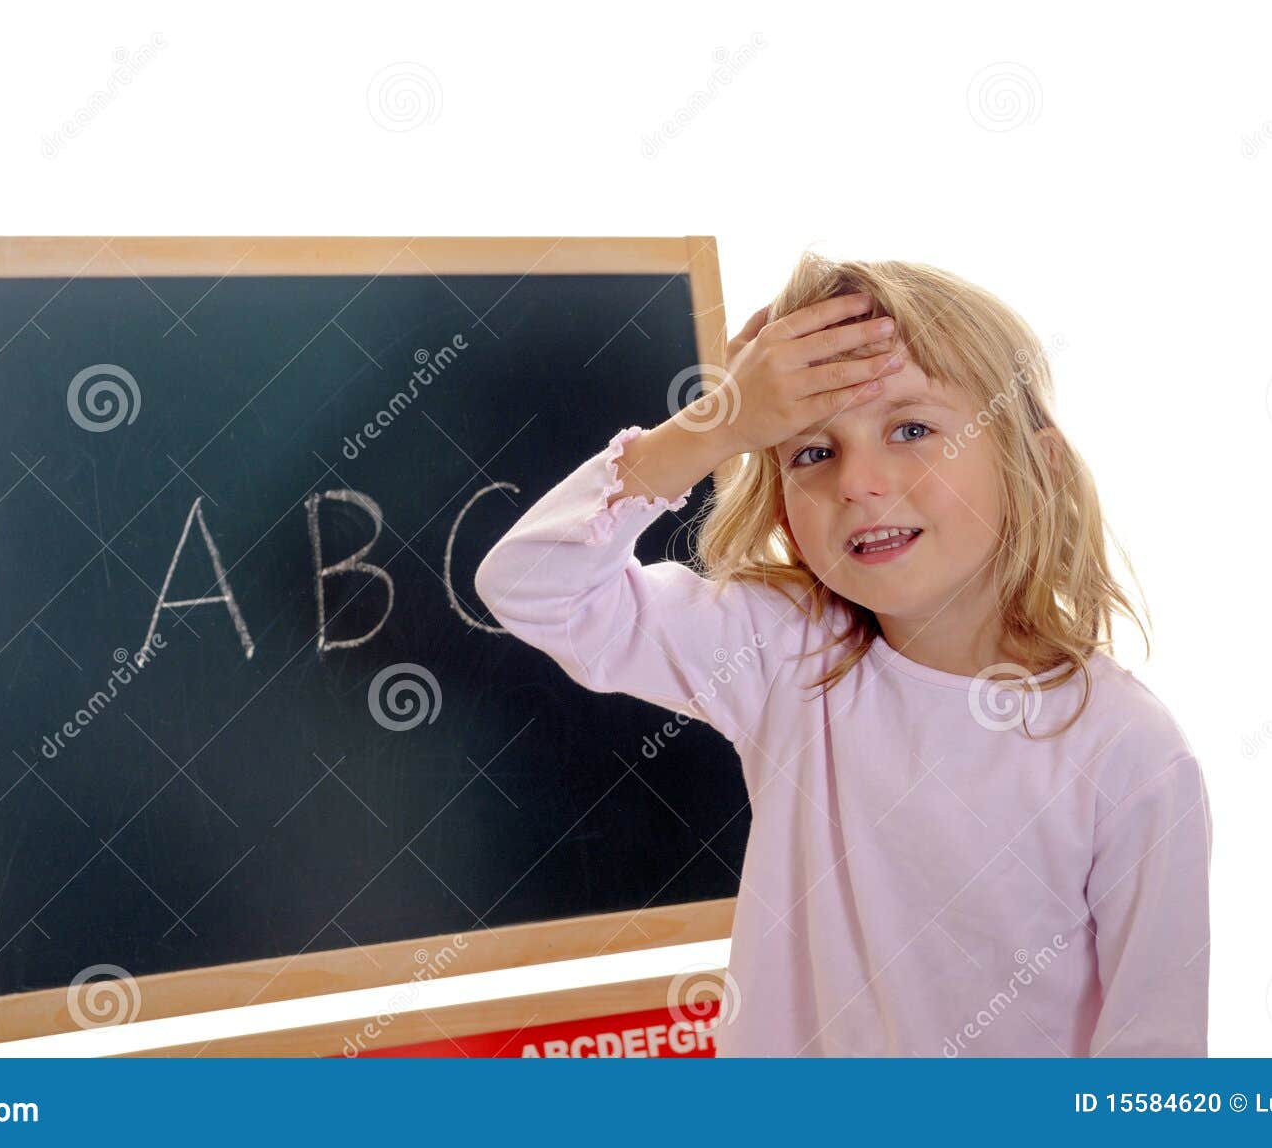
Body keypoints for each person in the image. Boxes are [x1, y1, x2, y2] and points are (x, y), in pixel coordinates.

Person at [473, 253, 1212, 1057]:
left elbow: (1154, 1064)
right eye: (812, 452)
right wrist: (717, 425)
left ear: (1038, 465)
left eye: (912, 429)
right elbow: (532, 587)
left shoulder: (1128, 750)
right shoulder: (786, 652)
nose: (858, 481)